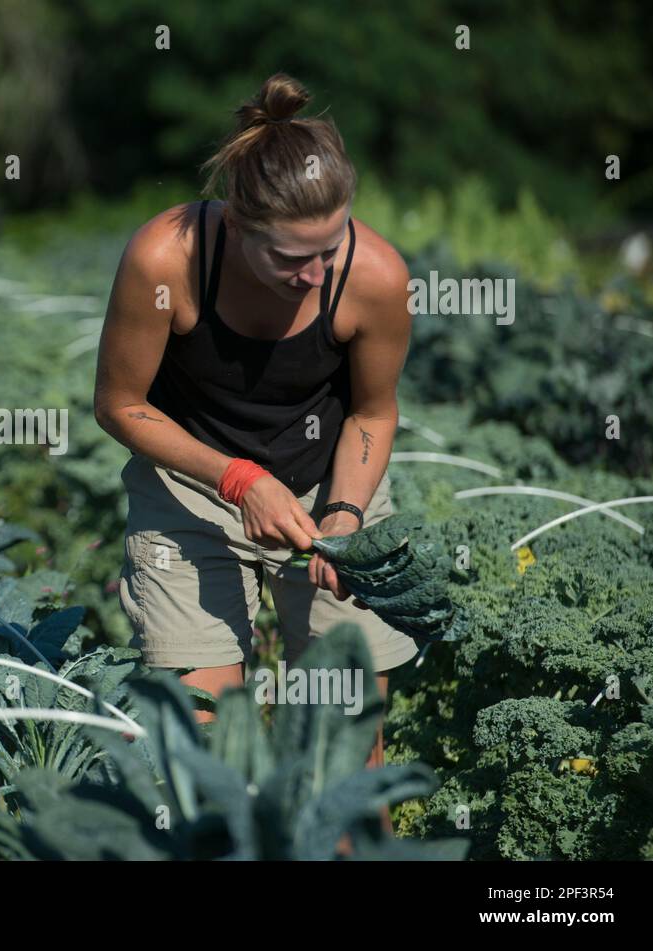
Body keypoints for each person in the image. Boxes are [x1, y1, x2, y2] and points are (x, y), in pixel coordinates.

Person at [93, 72, 417, 770]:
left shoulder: (377, 277)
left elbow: (371, 411)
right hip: (190, 492)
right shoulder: (167, 260)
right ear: (237, 226)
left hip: (327, 488)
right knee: (201, 744)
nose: (315, 274)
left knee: (346, 754)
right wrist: (238, 479)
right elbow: (120, 404)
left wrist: (346, 515)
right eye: (291, 258)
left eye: (329, 251)